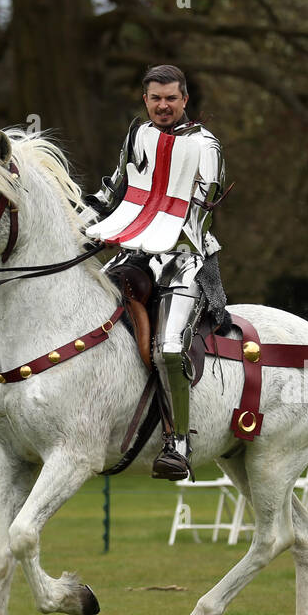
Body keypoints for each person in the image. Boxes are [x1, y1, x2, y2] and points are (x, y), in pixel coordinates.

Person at [85, 64, 228, 480]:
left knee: (166, 348)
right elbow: (115, 188)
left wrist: (141, 232)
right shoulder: (137, 134)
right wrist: (84, 221)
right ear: (145, 100)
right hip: (133, 255)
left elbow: (199, 211)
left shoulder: (207, 145)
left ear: (184, 100)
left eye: (170, 98)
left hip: (184, 258)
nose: (162, 106)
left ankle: (178, 442)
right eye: (155, 98)